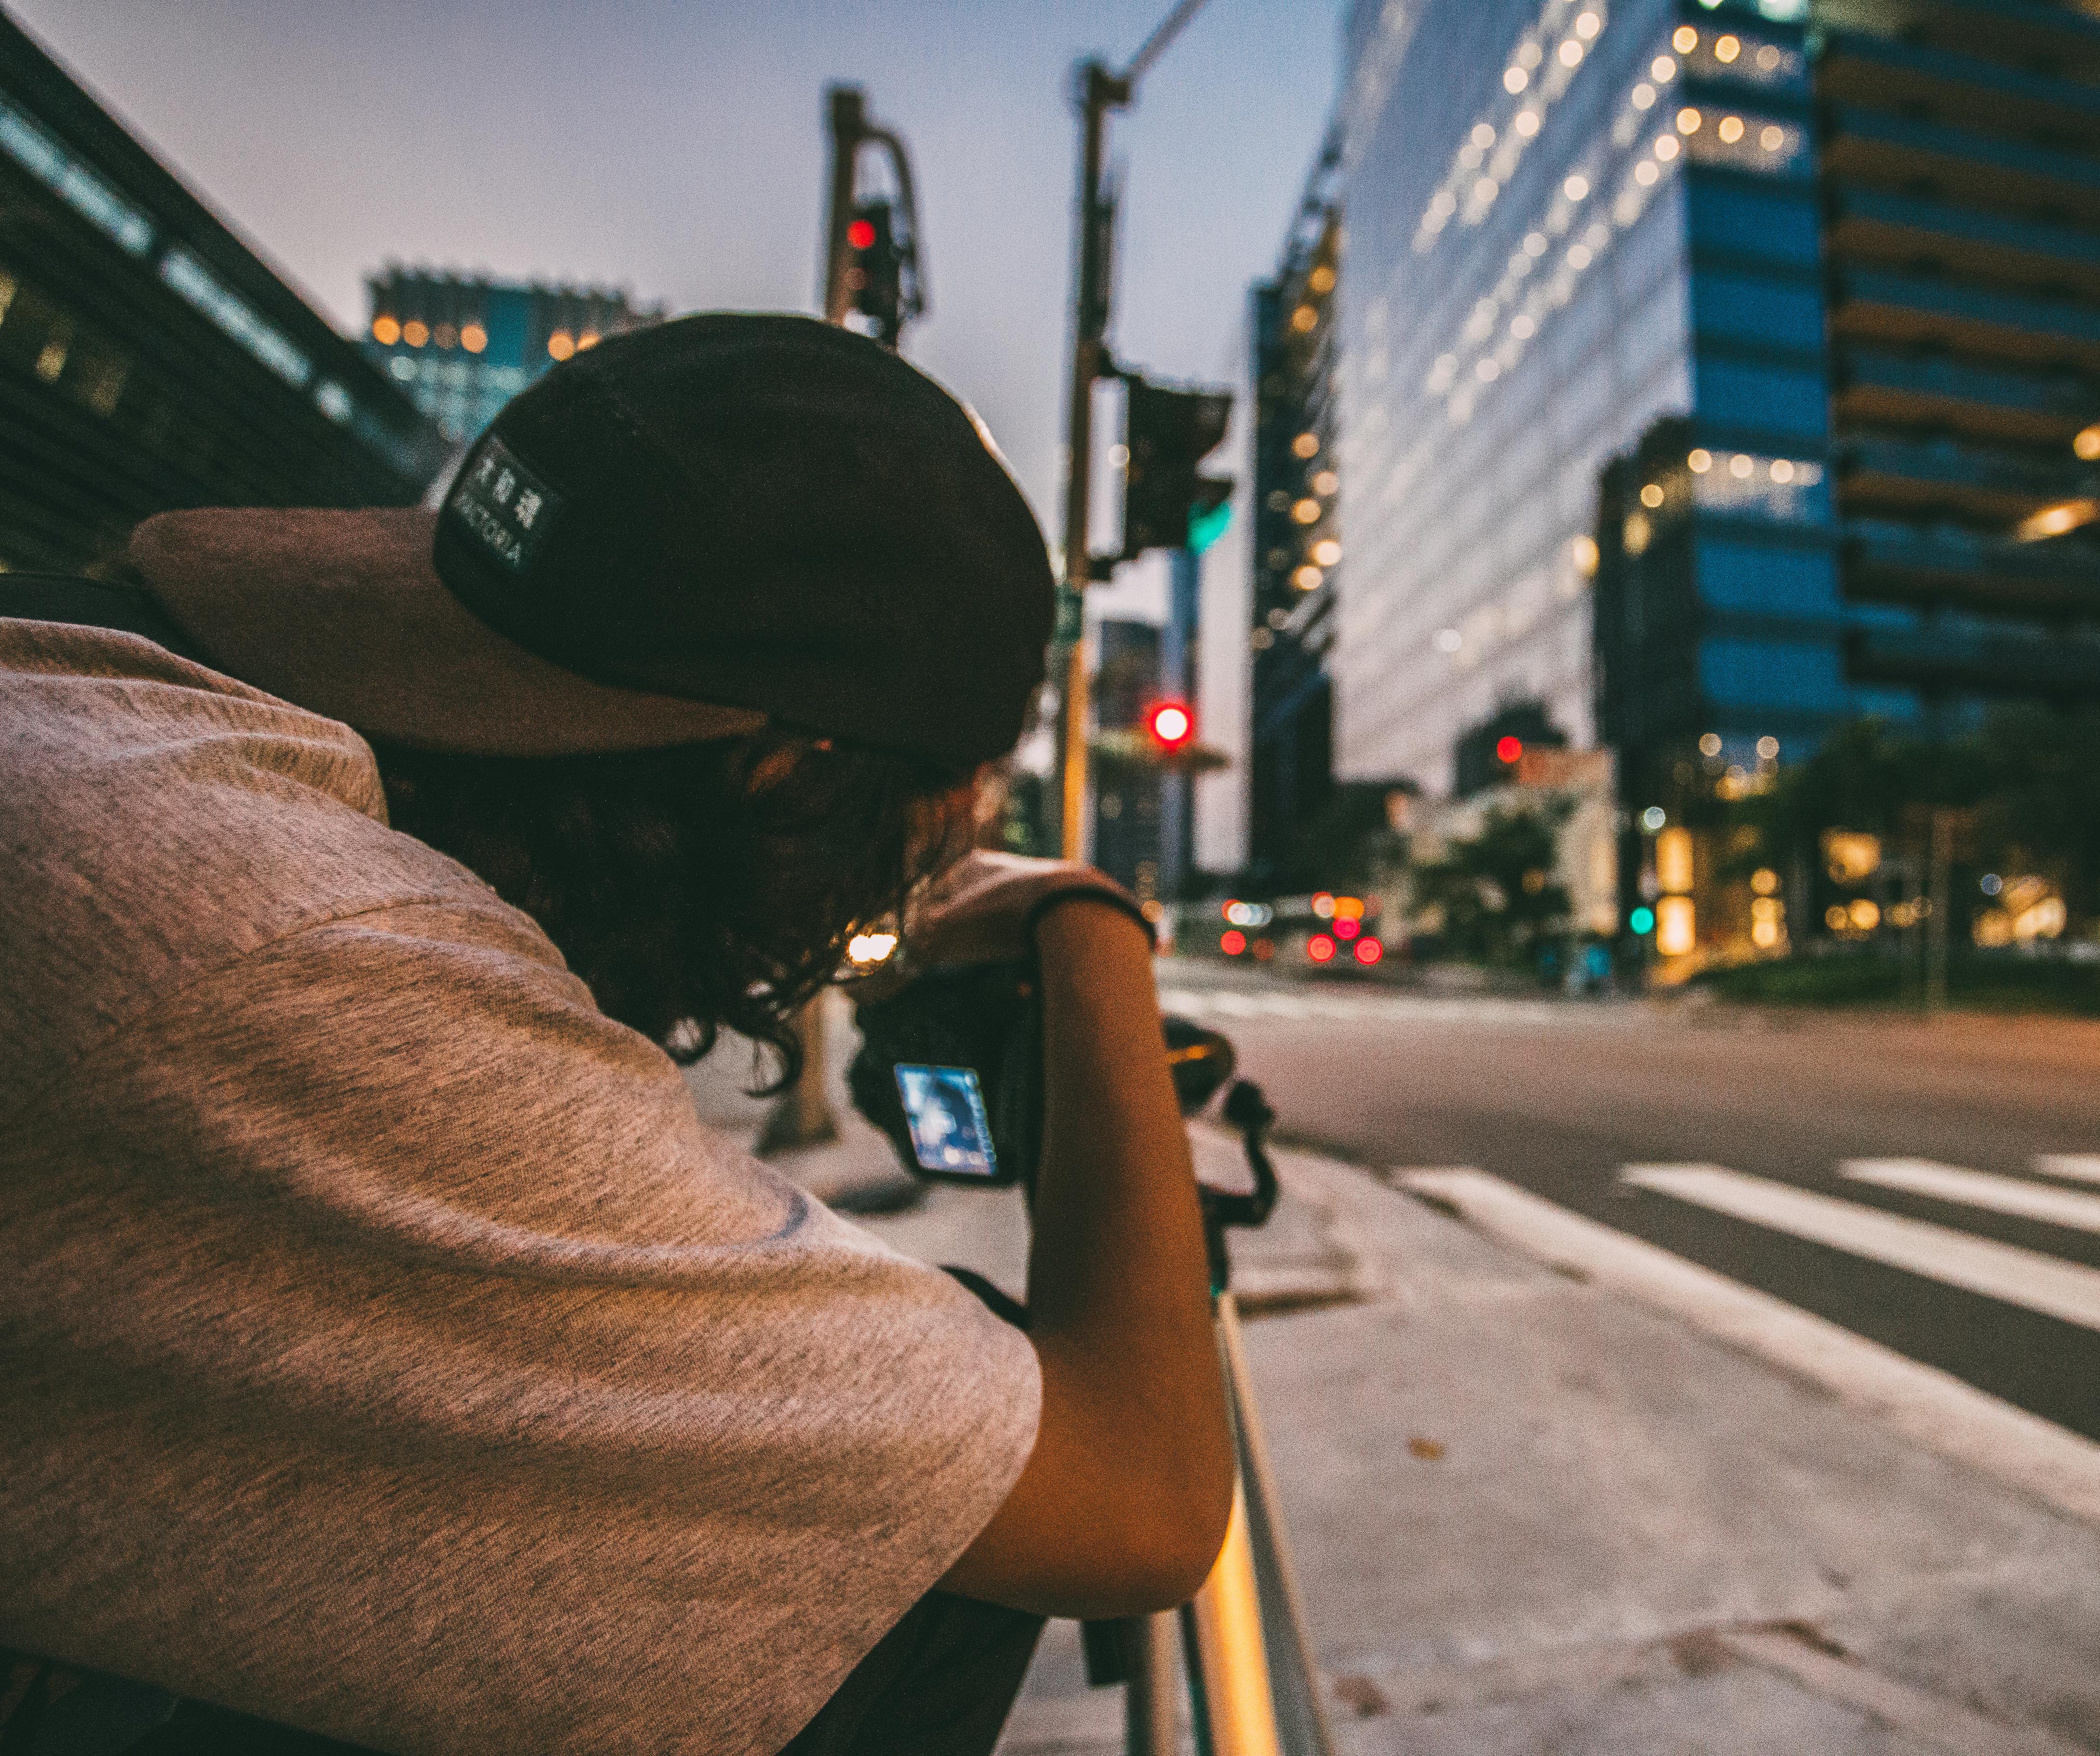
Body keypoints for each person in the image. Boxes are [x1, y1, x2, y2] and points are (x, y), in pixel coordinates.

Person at [0, 315, 1233, 1756]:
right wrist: (1088, 927)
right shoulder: (309, 954)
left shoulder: (112, 701)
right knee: (907, 1556)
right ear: (787, 779)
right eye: (924, 832)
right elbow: (1137, 1502)